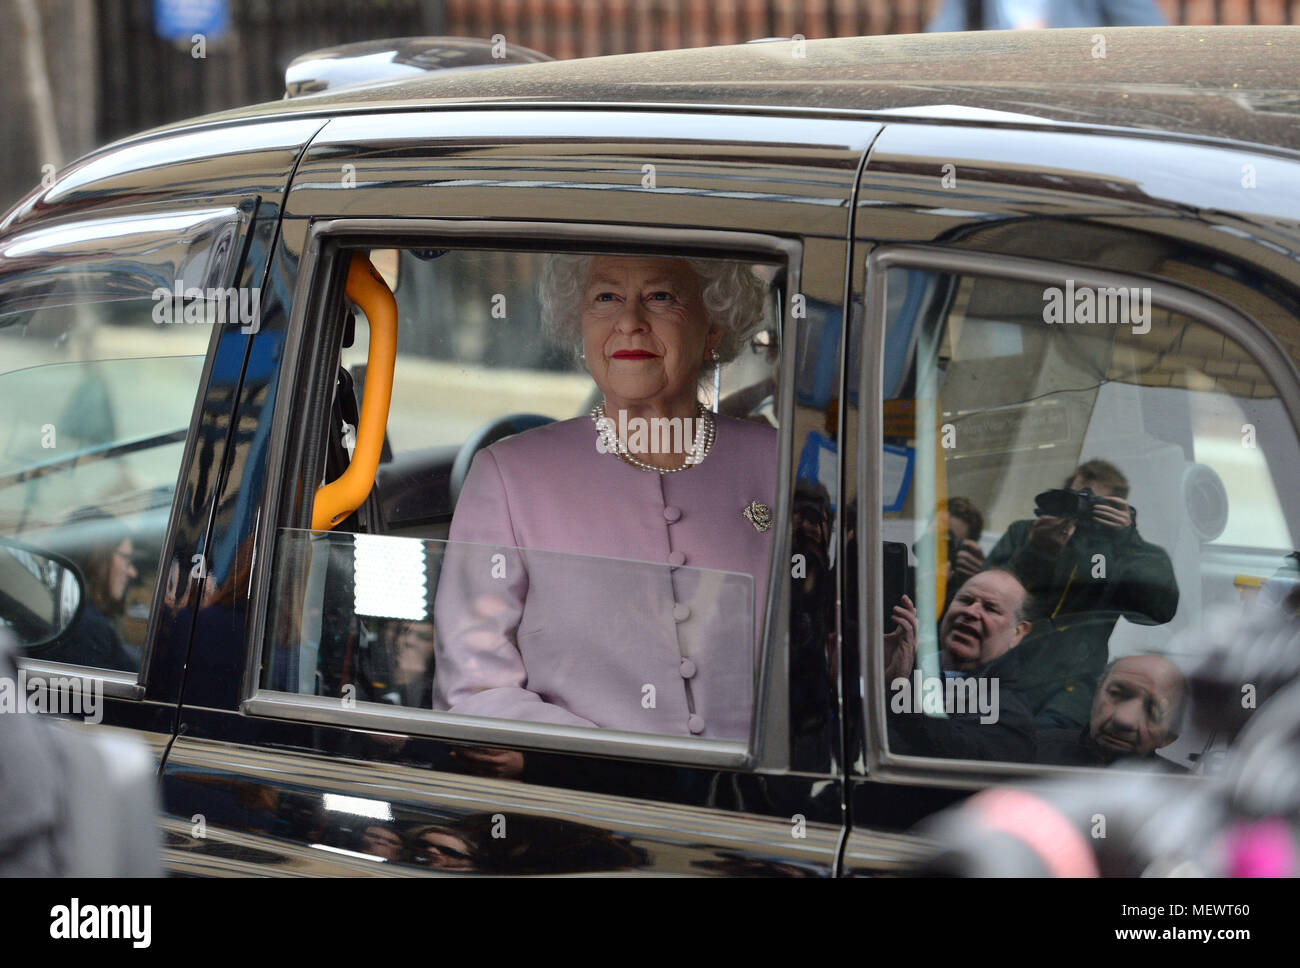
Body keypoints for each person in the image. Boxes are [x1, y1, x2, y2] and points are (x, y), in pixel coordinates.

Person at [432, 254, 775, 739]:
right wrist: (611, 769)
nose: (630, 322)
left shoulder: (777, 462)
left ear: (713, 327)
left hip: (766, 805)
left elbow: (819, 658)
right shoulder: (511, 475)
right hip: (588, 801)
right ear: (582, 326)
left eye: (661, 297)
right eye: (606, 298)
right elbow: (474, 690)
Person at [983, 459, 1178, 730]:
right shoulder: (1026, 534)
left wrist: (1126, 543)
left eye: (1098, 504)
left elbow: (1158, 611)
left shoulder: (1132, 551)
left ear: (1119, 509)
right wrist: (1037, 552)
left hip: (1071, 691)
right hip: (1001, 672)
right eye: (1077, 498)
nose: (1085, 508)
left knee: (1047, 748)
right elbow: (985, 599)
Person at [883, 569, 1038, 763]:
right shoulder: (905, 664)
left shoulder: (1010, 713)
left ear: (1017, 633)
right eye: (965, 600)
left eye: (990, 608)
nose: (971, 612)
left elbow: (960, 755)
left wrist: (899, 691)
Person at [1037, 654, 1186, 768]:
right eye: (1116, 694)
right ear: (1095, 696)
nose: (1124, 719)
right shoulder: (1033, 751)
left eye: (1153, 710)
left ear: (1169, 736)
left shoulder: (1184, 792)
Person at [43, 509, 141, 672]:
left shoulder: (73, 618)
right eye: (126, 558)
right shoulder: (86, 628)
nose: (132, 572)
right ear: (98, 559)